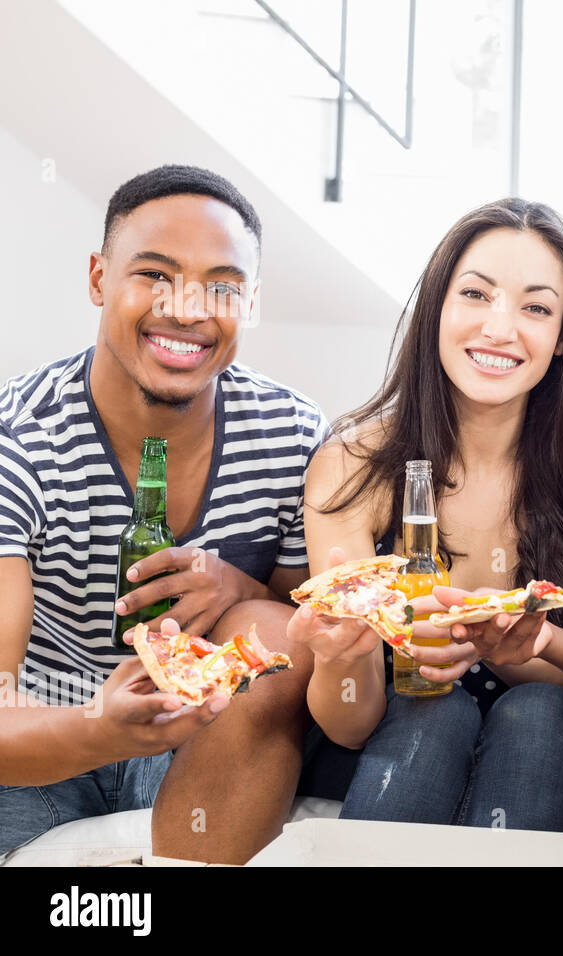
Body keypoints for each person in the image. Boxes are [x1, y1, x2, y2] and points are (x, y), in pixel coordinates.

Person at [290, 198, 563, 832]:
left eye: (536, 308)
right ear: (438, 308)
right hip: (390, 738)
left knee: (541, 709)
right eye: (477, 295)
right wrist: (341, 656)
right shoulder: (352, 465)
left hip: (540, 734)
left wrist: (500, 643)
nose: (499, 328)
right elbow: (346, 723)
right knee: (437, 709)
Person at [0, 165, 326, 864]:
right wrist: (103, 728)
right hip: (44, 745)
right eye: (153, 273)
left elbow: (320, 637)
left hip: (203, 745)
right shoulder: (17, 442)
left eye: (221, 285)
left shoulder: (292, 434)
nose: (186, 309)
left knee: (279, 626)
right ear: (98, 279)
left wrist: (241, 587)